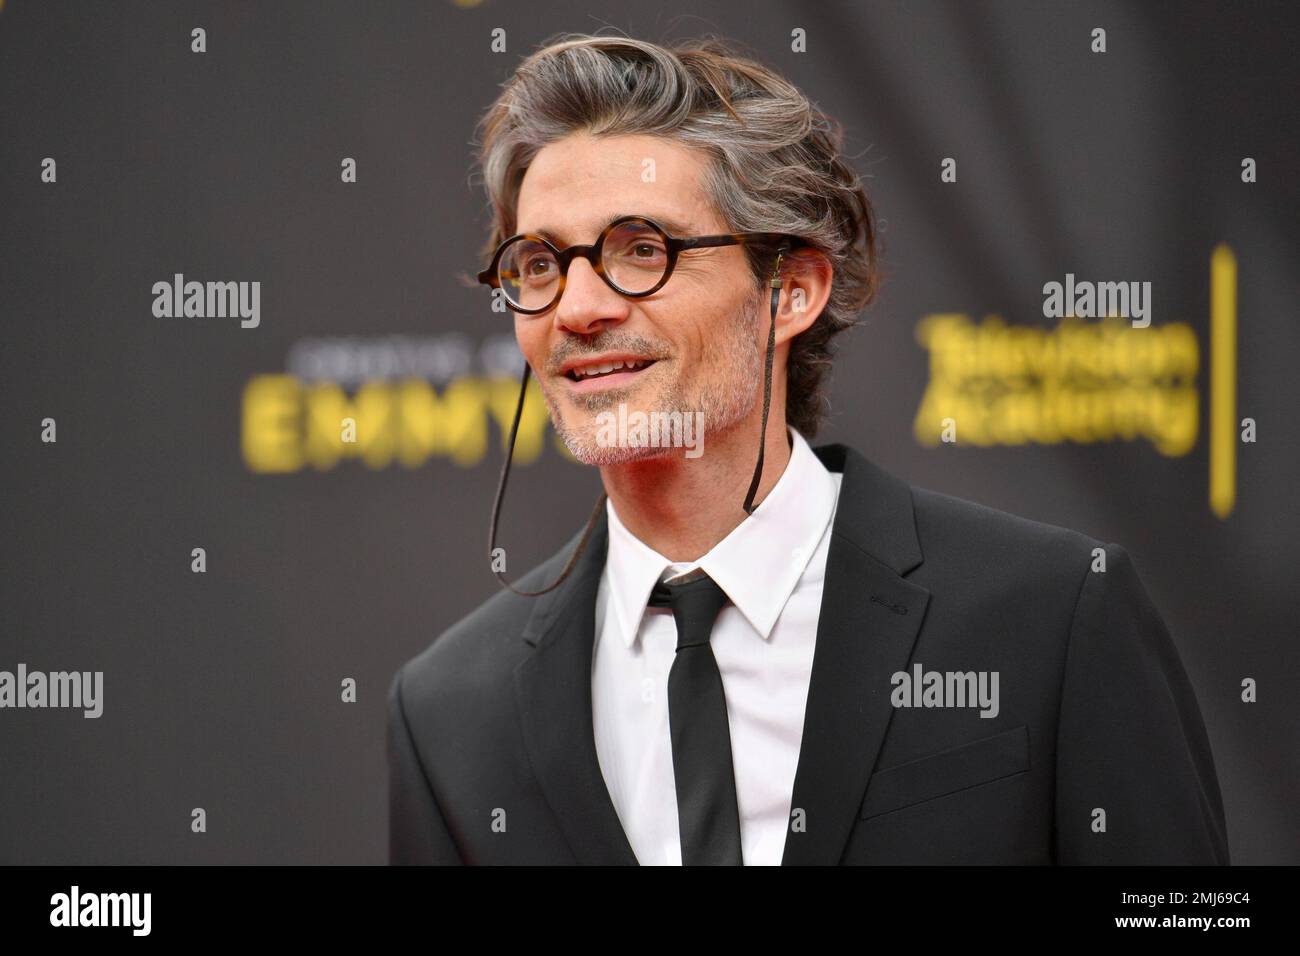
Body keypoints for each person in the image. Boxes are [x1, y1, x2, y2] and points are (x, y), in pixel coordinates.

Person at [387, 33, 1228, 865]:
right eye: (537, 264)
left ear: (790, 292)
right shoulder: (452, 710)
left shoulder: (1049, 616)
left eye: (641, 250)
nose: (575, 307)